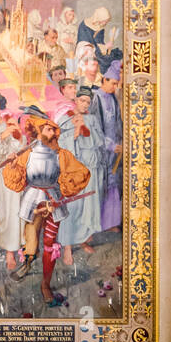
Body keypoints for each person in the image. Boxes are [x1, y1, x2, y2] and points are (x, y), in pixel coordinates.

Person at [2, 113, 90, 305]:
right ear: (39, 132)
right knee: (31, 237)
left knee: (50, 243)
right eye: (49, 129)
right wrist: (12, 164)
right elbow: (16, 179)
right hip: (32, 199)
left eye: (53, 129)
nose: (54, 132)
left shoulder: (62, 155)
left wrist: (64, 185)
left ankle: (45, 284)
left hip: (53, 200)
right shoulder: (27, 153)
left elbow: (82, 173)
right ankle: (27, 262)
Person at [57, 86, 106, 262]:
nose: (85, 104)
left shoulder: (92, 119)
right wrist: (75, 135)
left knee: (89, 206)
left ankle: (83, 239)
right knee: (74, 206)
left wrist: (87, 130)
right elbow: (59, 143)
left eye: (88, 102)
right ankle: (67, 247)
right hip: (76, 167)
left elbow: (100, 140)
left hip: (93, 166)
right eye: (82, 100)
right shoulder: (66, 118)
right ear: (75, 100)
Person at [0, 93, 24, 269]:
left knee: (13, 210)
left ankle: (10, 251)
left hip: (12, 170)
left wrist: (15, 139)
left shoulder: (9, 121)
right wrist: (2, 137)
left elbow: (20, 145)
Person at [91, 61, 123, 231]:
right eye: (113, 83)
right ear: (104, 80)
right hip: (102, 149)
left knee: (113, 184)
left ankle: (111, 223)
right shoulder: (96, 98)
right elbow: (95, 128)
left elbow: (117, 122)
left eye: (117, 84)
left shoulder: (112, 98)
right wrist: (110, 146)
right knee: (102, 184)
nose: (115, 87)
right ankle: (99, 223)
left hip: (115, 150)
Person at [76, 6, 121, 74]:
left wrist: (106, 47)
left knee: (116, 55)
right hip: (86, 52)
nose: (105, 23)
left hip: (98, 51)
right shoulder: (84, 26)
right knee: (104, 64)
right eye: (104, 21)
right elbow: (85, 44)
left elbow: (100, 42)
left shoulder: (100, 28)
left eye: (106, 21)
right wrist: (105, 47)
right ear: (98, 18)